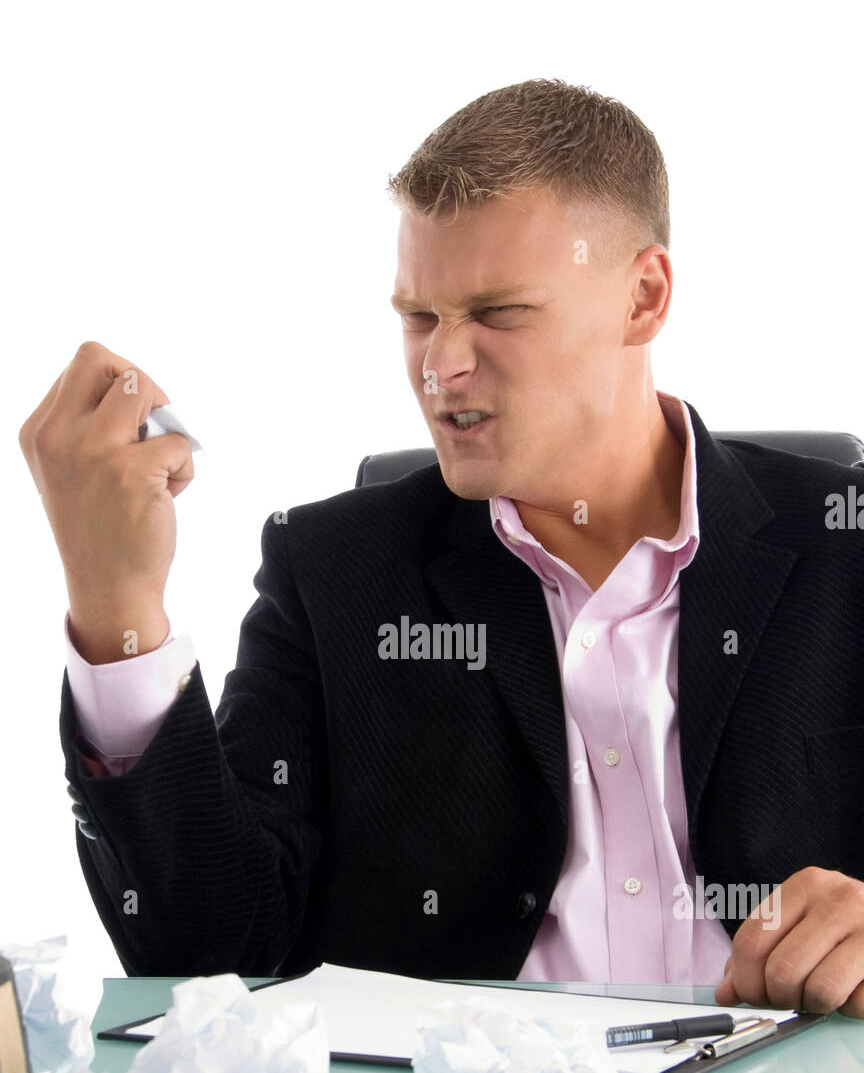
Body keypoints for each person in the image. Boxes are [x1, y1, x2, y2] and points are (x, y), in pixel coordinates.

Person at [18, 79, 864, 1017]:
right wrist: (117, 611)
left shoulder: (846, 544)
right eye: (418, 316)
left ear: (643, 297)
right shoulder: (334, 572)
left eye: (498, 313)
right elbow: (210, 952)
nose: (440, 365)